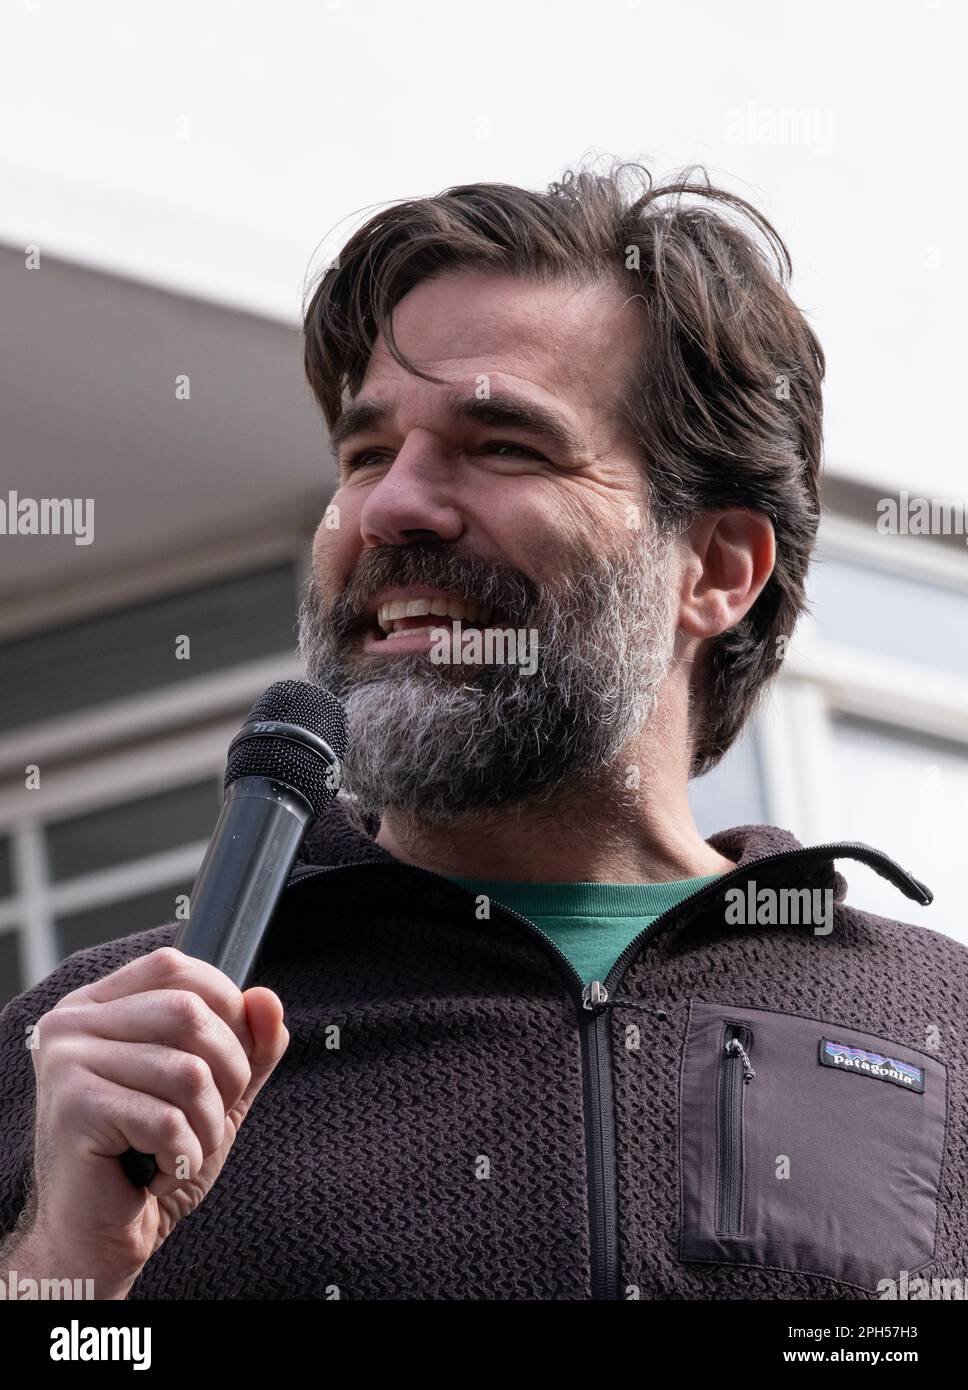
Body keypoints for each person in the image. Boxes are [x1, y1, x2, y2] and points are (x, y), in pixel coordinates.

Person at [0, 161, 963, 1301]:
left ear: (713, 569)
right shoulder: (93, 1058)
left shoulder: (932, 1024)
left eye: (502, 444)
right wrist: (65, 1269)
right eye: (364, 456)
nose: (391, 507)